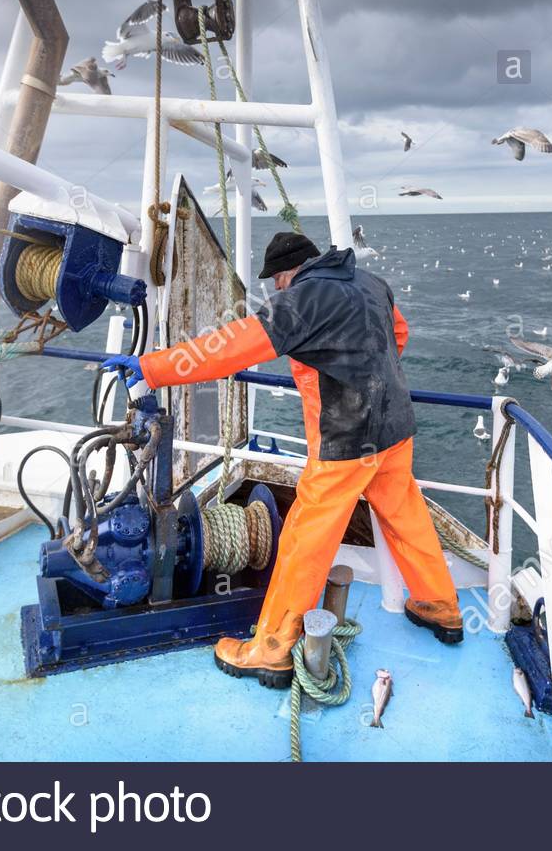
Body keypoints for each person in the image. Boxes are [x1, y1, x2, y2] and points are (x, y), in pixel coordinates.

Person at [103, 231, 462, 687]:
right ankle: (441, 605)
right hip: (392, 431)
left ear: (286, 274)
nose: (277, 292)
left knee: (304, 540)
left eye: (276, 284)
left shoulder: (302, 299)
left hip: (346, 442)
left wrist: (154, 369)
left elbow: (232, 346)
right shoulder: (371, 282)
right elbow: (399, 334)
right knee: (405, 515)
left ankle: (271, 647)